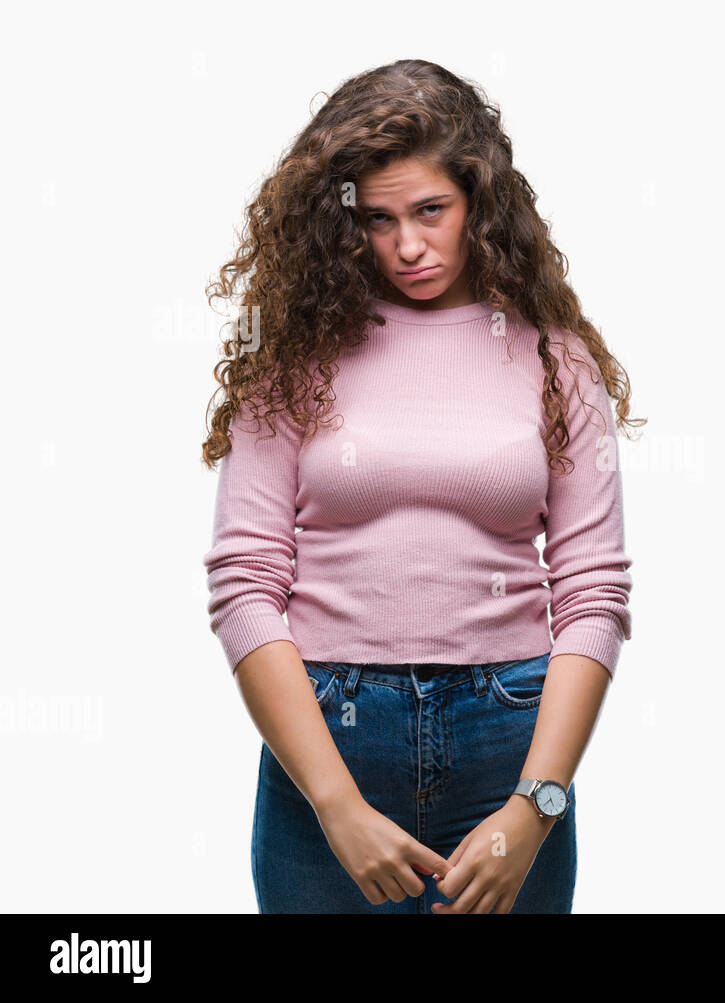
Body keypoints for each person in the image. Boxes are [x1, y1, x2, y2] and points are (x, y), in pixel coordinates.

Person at [198, 59, 640, 914]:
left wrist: (536, 805)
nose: (407, 245)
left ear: (479, 200)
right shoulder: (294, 357)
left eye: (431, 210)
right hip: (325, 734)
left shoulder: (555, 357)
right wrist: (335, 805)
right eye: (378, 219)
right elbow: (245, 584)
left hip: (509, 739)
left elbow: (594, 593)